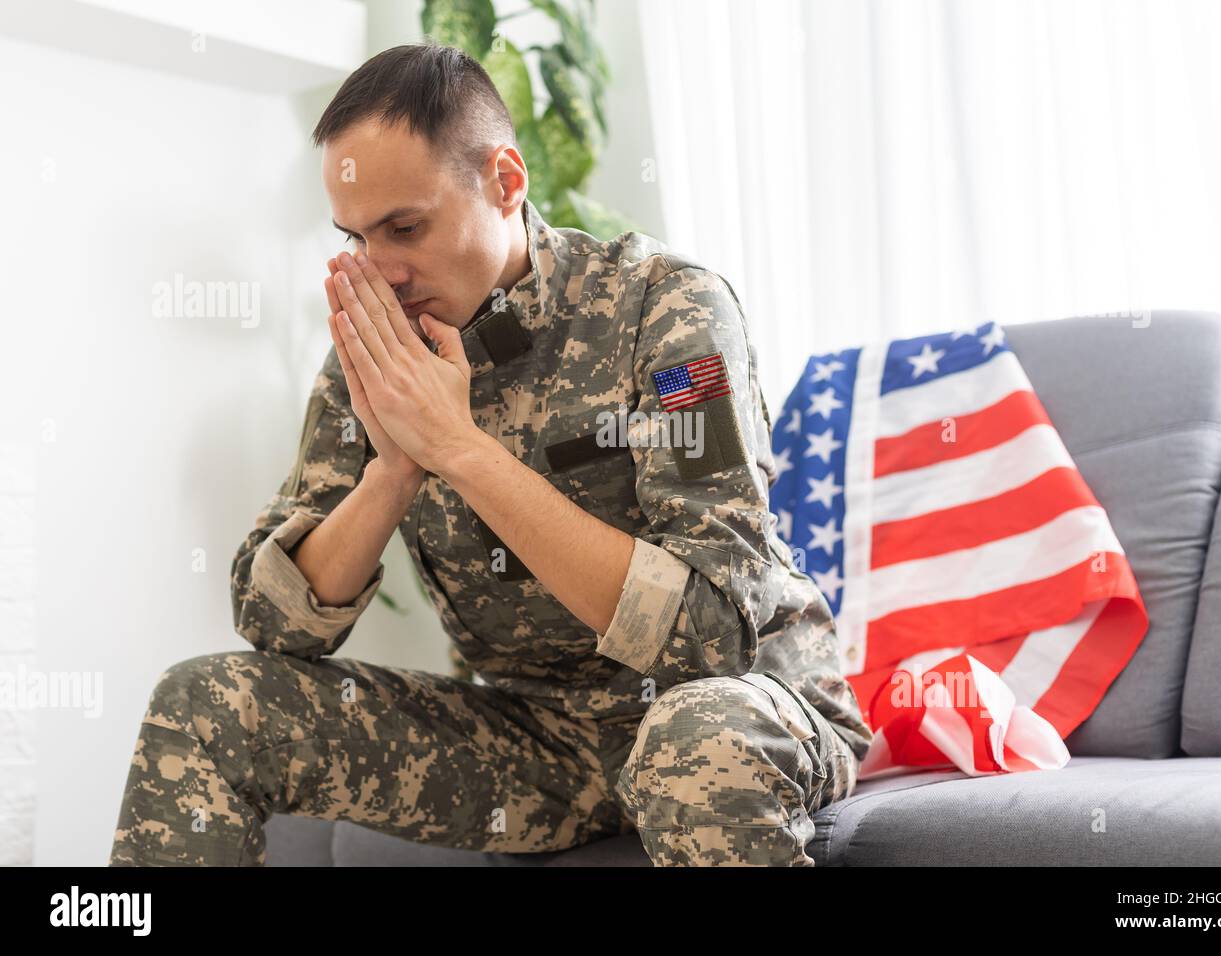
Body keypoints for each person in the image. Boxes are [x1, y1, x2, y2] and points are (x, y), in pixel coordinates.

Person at [109, 42, 872, 867]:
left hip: (728, 708)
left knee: (693, 746)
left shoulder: (671, 309)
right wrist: (394, 471)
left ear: (507, 180)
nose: (382, 271)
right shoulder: (379, 360)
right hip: (538, 741)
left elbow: (712, 631)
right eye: (356, 239)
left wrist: (460, 449)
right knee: (204, 703)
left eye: (405, 227)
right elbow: (273, 623)